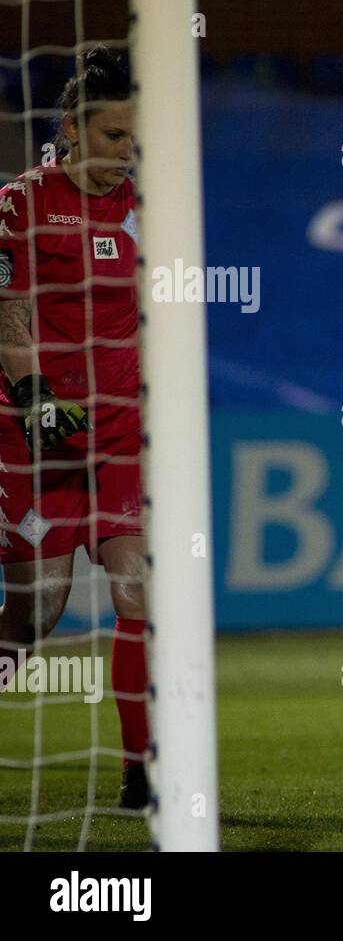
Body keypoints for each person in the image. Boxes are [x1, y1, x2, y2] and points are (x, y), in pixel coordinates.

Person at [0, 47, 152, 809]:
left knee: (137, 592)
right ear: (71, 129)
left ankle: (141, 771)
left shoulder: (146, 209)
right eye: (116, 136)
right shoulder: (22, 203)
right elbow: (10, 311)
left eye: (136, 139)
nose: (129, 152)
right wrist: (33, 397)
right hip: (39, 432)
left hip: (121, 432)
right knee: (40, 607)